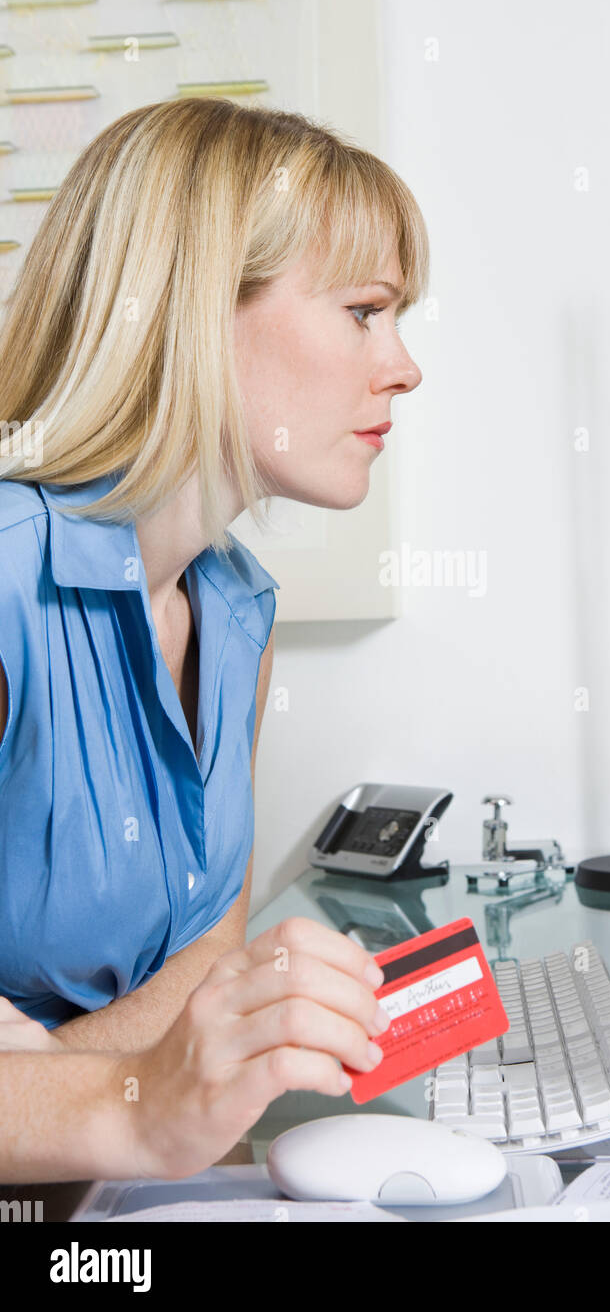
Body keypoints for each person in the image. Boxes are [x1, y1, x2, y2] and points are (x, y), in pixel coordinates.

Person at [0, 97, 427, 1182]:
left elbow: (204, 957)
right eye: (365, 311)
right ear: (196, 309)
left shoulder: (236, 613)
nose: (403, 367)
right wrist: (129, 1100)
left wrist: (79, 1085)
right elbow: (162, 1057)